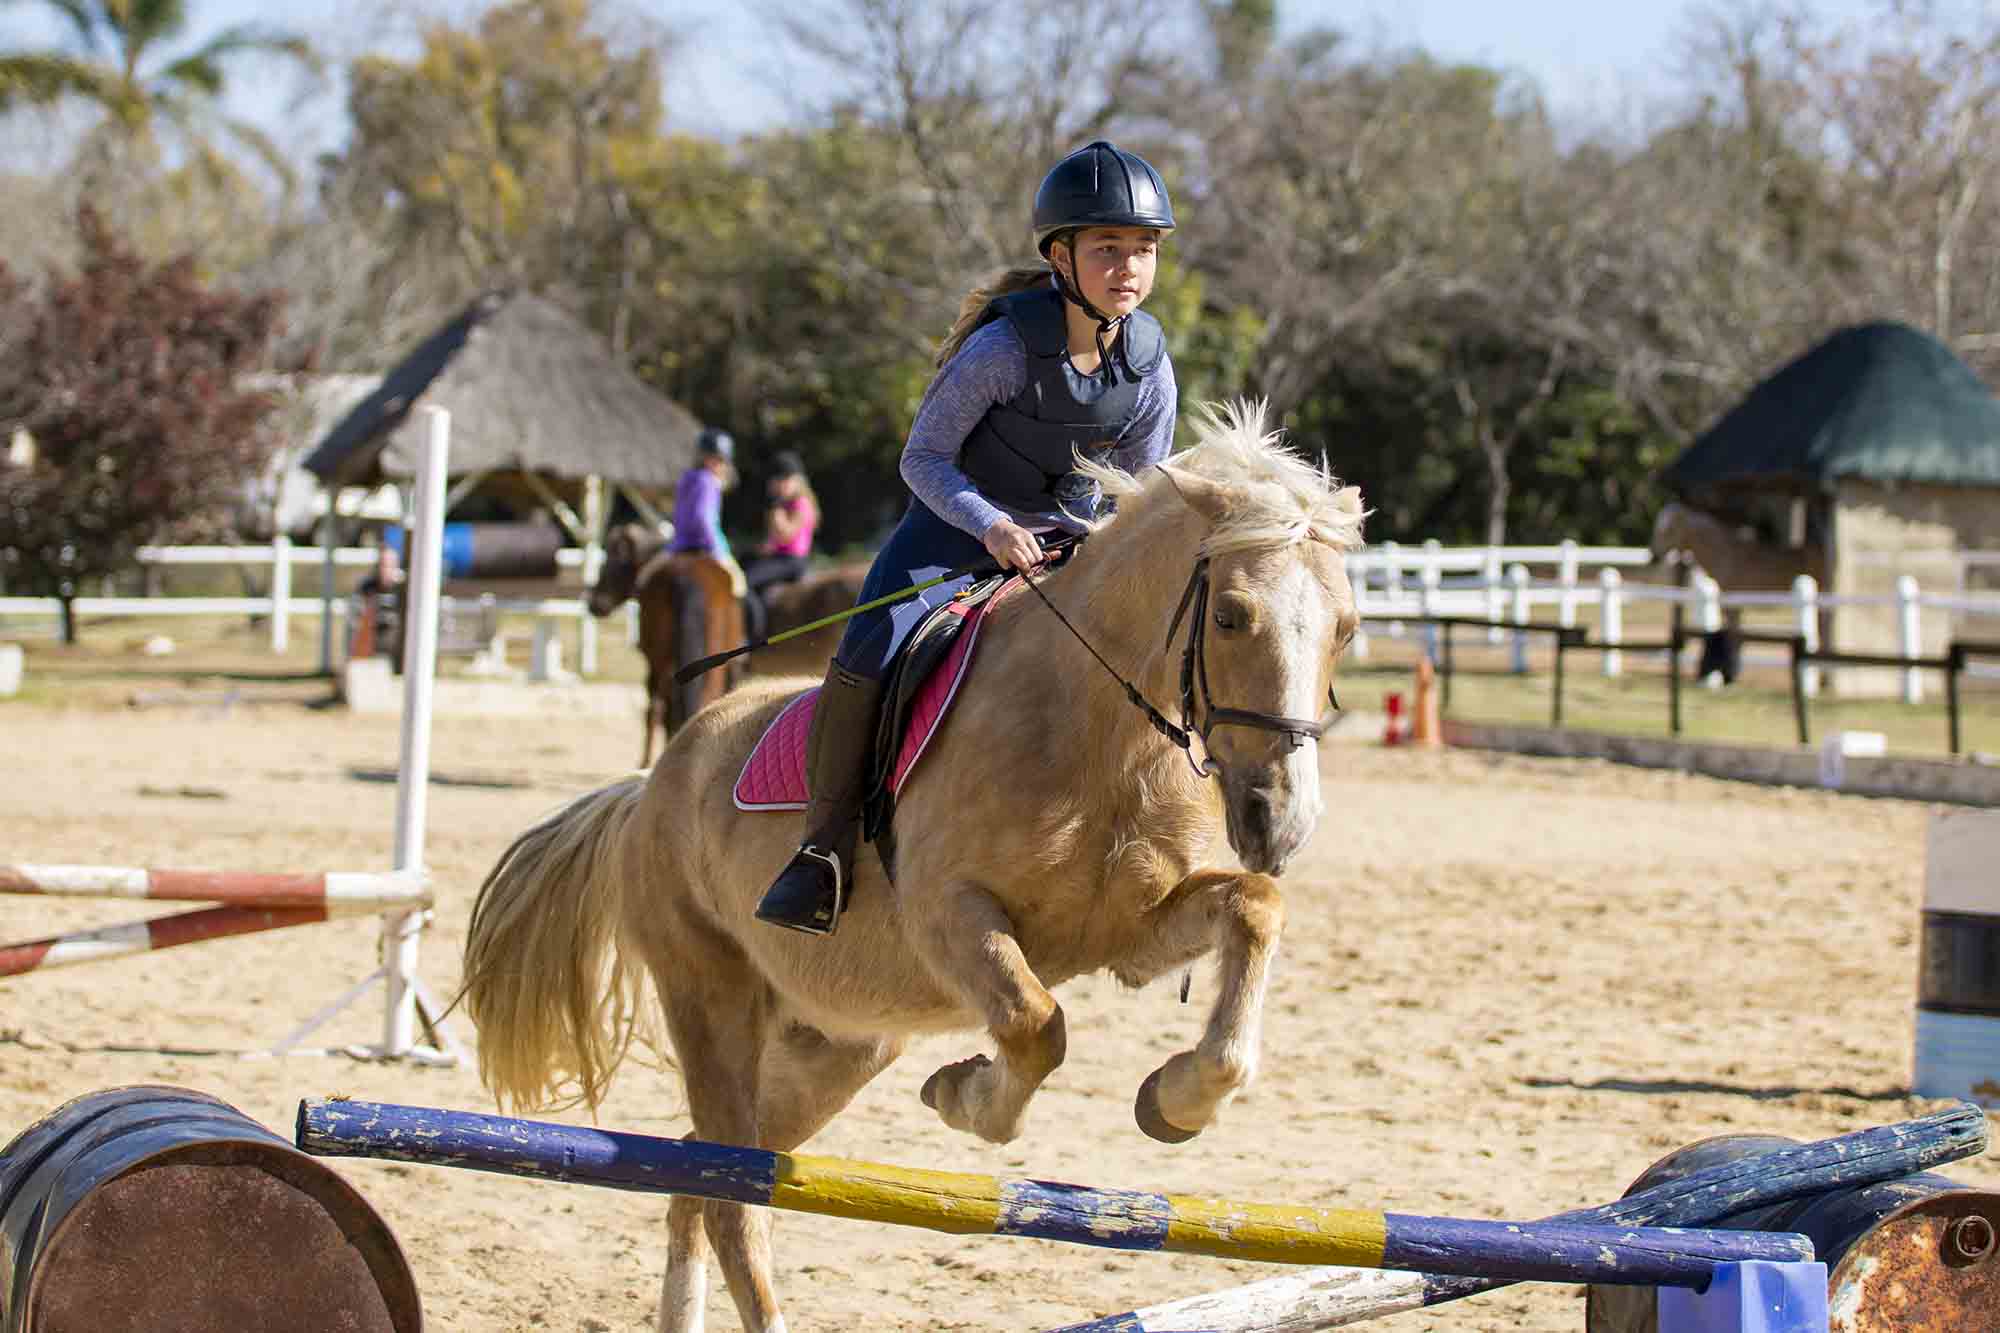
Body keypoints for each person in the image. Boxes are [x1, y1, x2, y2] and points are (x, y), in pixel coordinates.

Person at [755, 139, 1180, 936]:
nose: (1128, 267)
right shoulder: (1003, 348)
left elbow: (1140, 490)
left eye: (1143, 249)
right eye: (1107, 248)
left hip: (1069, 546)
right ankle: (822, 849)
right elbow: (922, 459)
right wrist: (994, 526)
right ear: (1061, 256)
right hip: (952, 534)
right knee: (871, 653)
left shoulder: (1151, 366)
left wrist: (1105, 545)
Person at [741, 450, 820, 642]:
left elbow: (786, 535)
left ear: (797, 480)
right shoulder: (786, 505)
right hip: (779, 556)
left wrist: (775, 508)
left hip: (792, 561)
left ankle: (754, 633)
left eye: (784, 480)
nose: (779, 485)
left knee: (744, 582)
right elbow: (776, 539)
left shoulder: (801, 504)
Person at [670, 426, 748, 597]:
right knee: (740, 586)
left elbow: (677, 515)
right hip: (702, 548)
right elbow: (704, 519)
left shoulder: (686, 478)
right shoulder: (708, 481)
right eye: (716, 459)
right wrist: (719, 551)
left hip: (677, 549)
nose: (717, 464)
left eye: (720, 460)